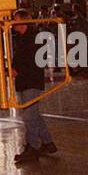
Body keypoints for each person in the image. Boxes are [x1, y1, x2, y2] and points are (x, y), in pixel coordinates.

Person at [10, 9, 56, 165]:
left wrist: (18, 69)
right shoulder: (22, 38)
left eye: (15, 20)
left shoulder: (34, 39)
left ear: (23, 21)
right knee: (33, 113)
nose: (13, 24)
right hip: (24, 81)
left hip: (31, 81)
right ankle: (47, 142)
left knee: (29, 116)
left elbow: (34, 61)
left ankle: (33, 147)